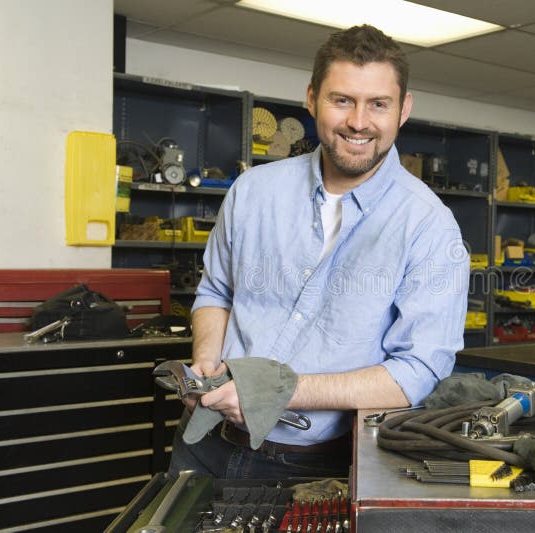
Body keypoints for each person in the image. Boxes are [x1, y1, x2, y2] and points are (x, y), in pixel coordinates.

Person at [168, 24, 469, 480]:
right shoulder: (253, 191)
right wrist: (206, 362)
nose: (359, 121)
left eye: (378, 104)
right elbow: (217, 292)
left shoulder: (428, 225)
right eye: (342, 100)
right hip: (203, 442)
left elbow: (417, 371)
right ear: (312, 99)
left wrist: (279, 391)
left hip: (314, 467)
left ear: (403, 110)